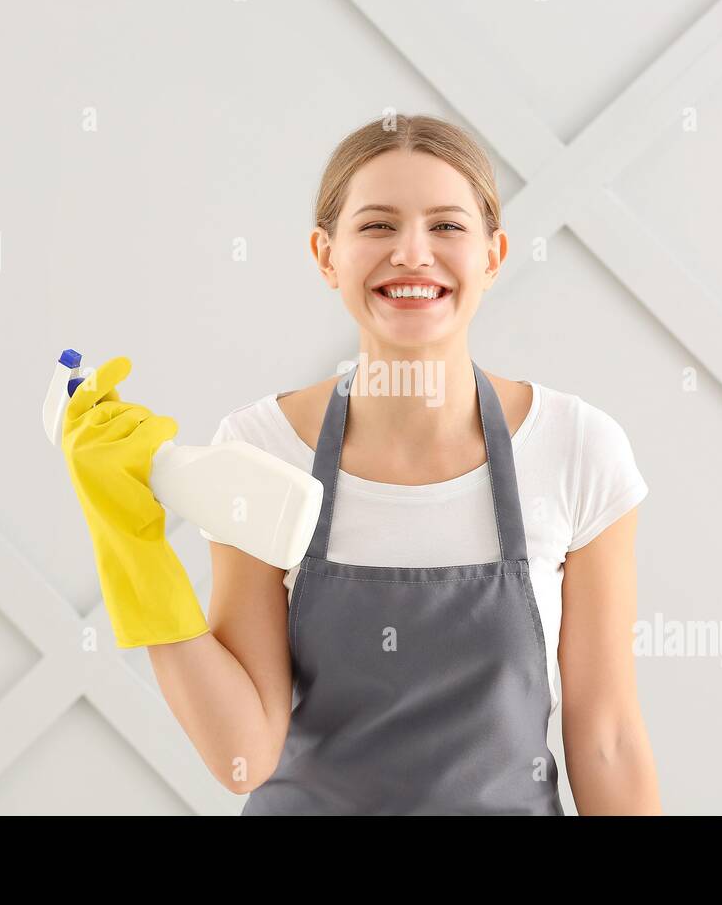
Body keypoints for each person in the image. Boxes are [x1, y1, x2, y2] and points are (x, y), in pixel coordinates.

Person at [62, 113, 661, 815]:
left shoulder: (576, 448)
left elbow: (607, 738)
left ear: (494, 256)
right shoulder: (259, 450)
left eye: (447, 227)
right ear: (326, 255)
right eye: (377, 226)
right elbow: (242, 755)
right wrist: (132, 546)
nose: (413, 253)